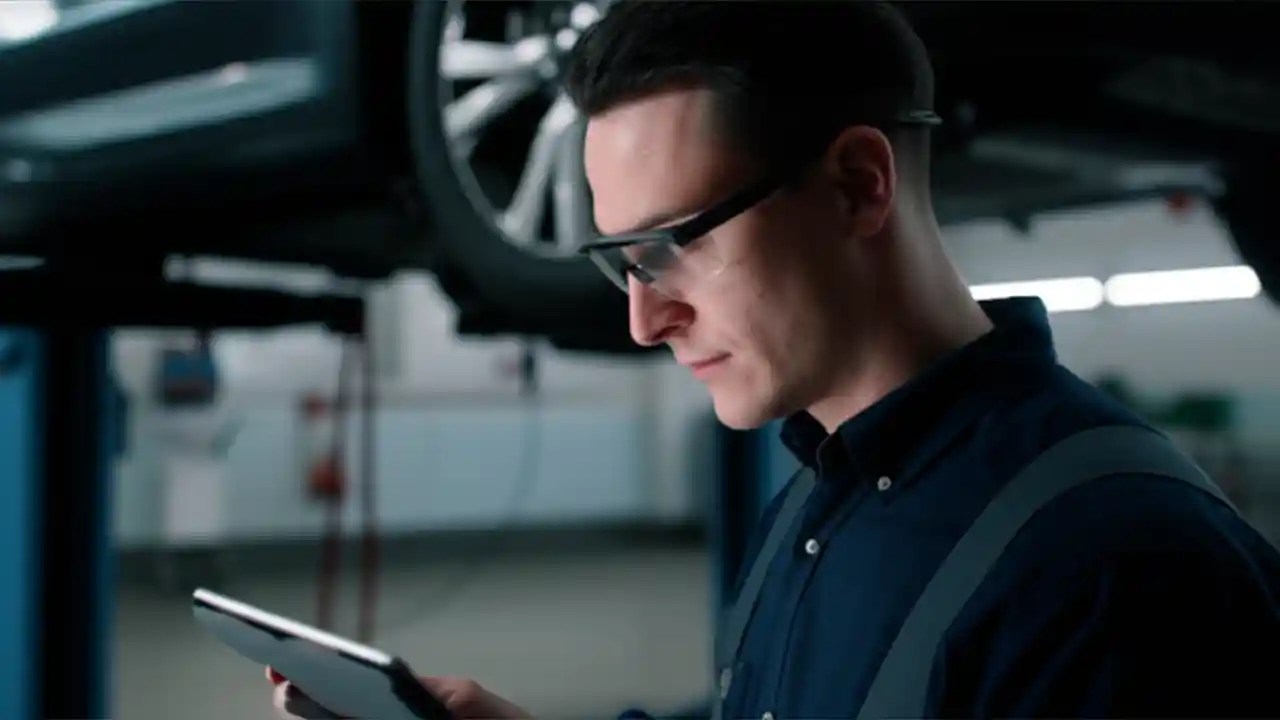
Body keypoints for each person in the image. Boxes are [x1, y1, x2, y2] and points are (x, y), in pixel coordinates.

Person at [270, 1, 1280, 718]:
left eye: (673, 247)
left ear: (853, 187)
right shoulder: (819, 501)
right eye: (619, 261)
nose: (643, 319)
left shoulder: (1115, 573)